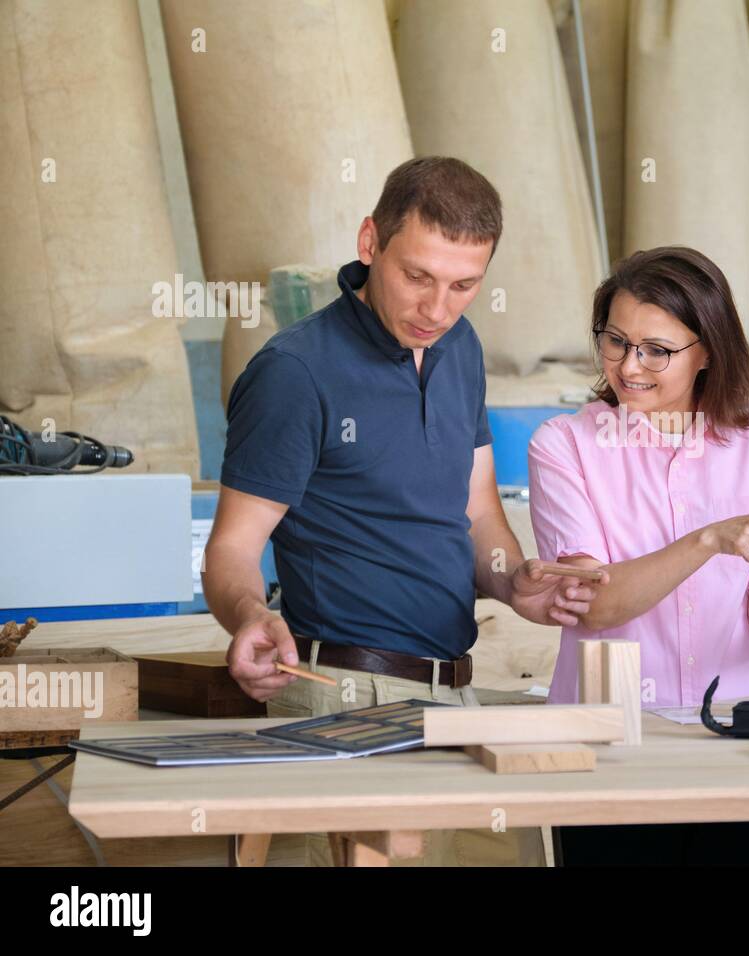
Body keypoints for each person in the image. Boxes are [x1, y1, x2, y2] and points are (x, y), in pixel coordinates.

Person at [202, 156, 603, 866]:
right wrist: (251, 617)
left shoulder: (461, 346)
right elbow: (232, 549)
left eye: (463, 285)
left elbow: (478, 511)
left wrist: (516, 582)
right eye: (417, 276)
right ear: (369, 243)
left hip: (451, 688)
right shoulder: (295, 373)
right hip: (340, 693)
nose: (437, 308)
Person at [527, 246, 749, 864]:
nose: (630, 366)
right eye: (616, 341)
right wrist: (709, 539)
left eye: (657, 350)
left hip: (745, 741)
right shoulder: (565, 445)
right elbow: (596, 604)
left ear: (708, 350)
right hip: (611, 742)